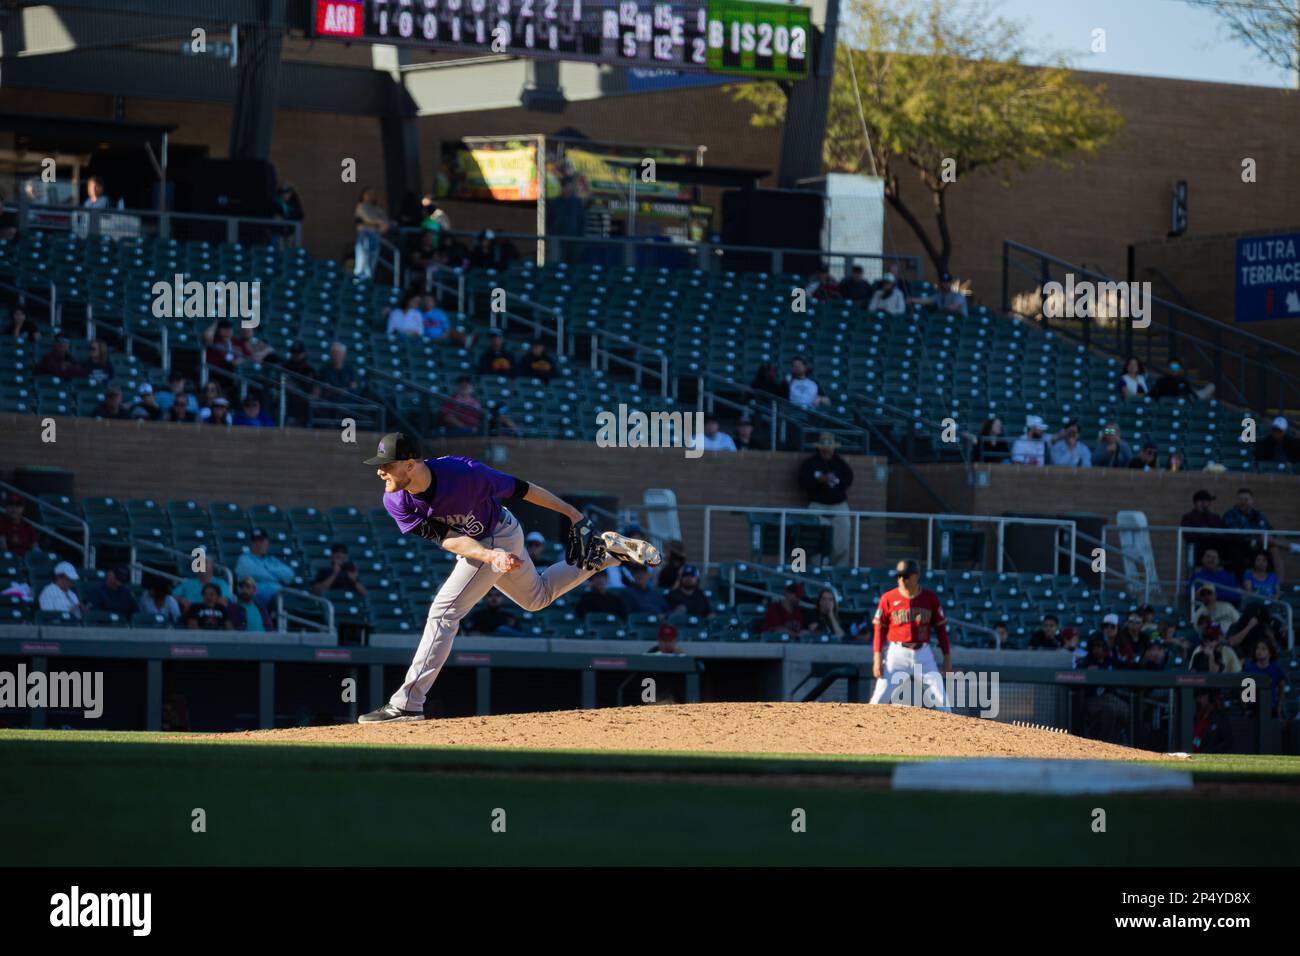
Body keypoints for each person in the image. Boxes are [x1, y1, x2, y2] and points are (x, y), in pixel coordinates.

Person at [355, 431, 660, 721]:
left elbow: (524, 489)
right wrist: (490, 556)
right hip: (483, 544)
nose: (380, 472)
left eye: (386, 465)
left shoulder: (464, 473)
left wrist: (573, 514)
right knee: (536, 598)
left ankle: (408, 704)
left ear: (410, 464)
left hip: (499, 530)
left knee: (443, 613)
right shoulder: (396, 500)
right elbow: (447, 538)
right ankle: (607, 554)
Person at [868, 559, 952, 710]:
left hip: (923, 654)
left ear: (916, 576)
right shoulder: (888, 598)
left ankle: (954, 733)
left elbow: (941, 630)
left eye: (906, 576)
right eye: (899, 576)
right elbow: (879, 630)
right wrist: (877, 657)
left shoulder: (930, 598)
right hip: (897, 654)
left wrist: (947, 657)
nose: (901, 579)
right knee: (878, 699)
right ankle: (860, 731)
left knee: (943, 703)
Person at [798, 432, 854, 566]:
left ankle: (839, 573)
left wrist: (835, 481)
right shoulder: (810, 464)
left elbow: (848, 479)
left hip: (839, 506)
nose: (827, 451)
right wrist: (820, 480)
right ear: (819, 448)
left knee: (842, 542)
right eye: (824, 448)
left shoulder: (840, 464)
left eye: (830, 448)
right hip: (817, 506)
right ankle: (818, 570)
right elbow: (802, 482)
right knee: (815, 541)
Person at [1222, 488, 1284, 582]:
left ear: (1252, 501)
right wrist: (1257, 536)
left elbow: (1270, 531)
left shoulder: (1260, 515)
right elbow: (1236, 532)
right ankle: (1292, 547)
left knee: (1274, 549)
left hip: (1260, 545)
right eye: (1240, 499)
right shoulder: (1230, 514)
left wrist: (1262, 538)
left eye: (1246, 499)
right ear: (1237, 500)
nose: (1243, 502)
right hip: (1239, 545)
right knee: (1239, 551)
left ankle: (1279, 584)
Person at [1074, 634, 1128, 744]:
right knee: (1110, 708)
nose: (1098, 649)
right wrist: (1087, 672)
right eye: (1095, 646)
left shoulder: (1112, 662)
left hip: (1113, 699)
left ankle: (1126, 744)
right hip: (1091, 700)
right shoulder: (1085, 663)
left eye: (1100, 646)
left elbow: (1128, 670)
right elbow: (1075, 678)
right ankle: (1105, 744)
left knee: (1121, 708)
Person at [235, 529, 297, 609]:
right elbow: (257, 574)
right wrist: (278, 577)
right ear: (250, 544)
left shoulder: (272, 560)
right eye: (255, 541)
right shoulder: (244, 558)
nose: (258, 544)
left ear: (267, 543)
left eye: (261, 541)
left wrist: (267, 568)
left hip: (278, 592)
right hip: (256, 592)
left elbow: (290, 574)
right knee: (282, 596)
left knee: (294, 596)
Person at [1243, 637, 1287, 719]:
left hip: (1271, 709)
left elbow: (1281, 688)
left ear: (1270, 653)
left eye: (1263, 649)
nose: (1259, 651)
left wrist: (1278, 709)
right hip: (1253, 710)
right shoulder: (1249, 669)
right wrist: (1246, 708)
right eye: (1257, 648)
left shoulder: (1276, 669)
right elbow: (1244, 692)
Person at [1179, 489, 1225, 564]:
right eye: (1203, 501)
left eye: (1207, 501)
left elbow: (1222, 532)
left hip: (1215, 547)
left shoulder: (1215, 517)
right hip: (1198, 548)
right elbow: (1187, 535)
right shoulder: (1188, 517)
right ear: (1196, 503)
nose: (1206, 504)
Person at [353, 186, 390, 280]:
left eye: (373, 194)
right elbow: (368, 219)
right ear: (363, 195)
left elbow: (385, 221)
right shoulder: (361, 206)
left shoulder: (377, 208)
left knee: (372, 261)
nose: (371, 196)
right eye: (369, 194)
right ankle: (359, 281)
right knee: (362, 260)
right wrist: (379, 222)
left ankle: (368, 281)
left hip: (375, 235)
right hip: (365, 235)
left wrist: (384, 224)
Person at [1190, 688, 1234, 754]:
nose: (1199, 700)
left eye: (1202, 697)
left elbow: (1227, 742)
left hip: (1210, 757)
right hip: (1195, 755)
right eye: (1198, 697)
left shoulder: (1220, 718)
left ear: (1210, 698)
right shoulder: (1198, 716)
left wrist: (1210, 752)